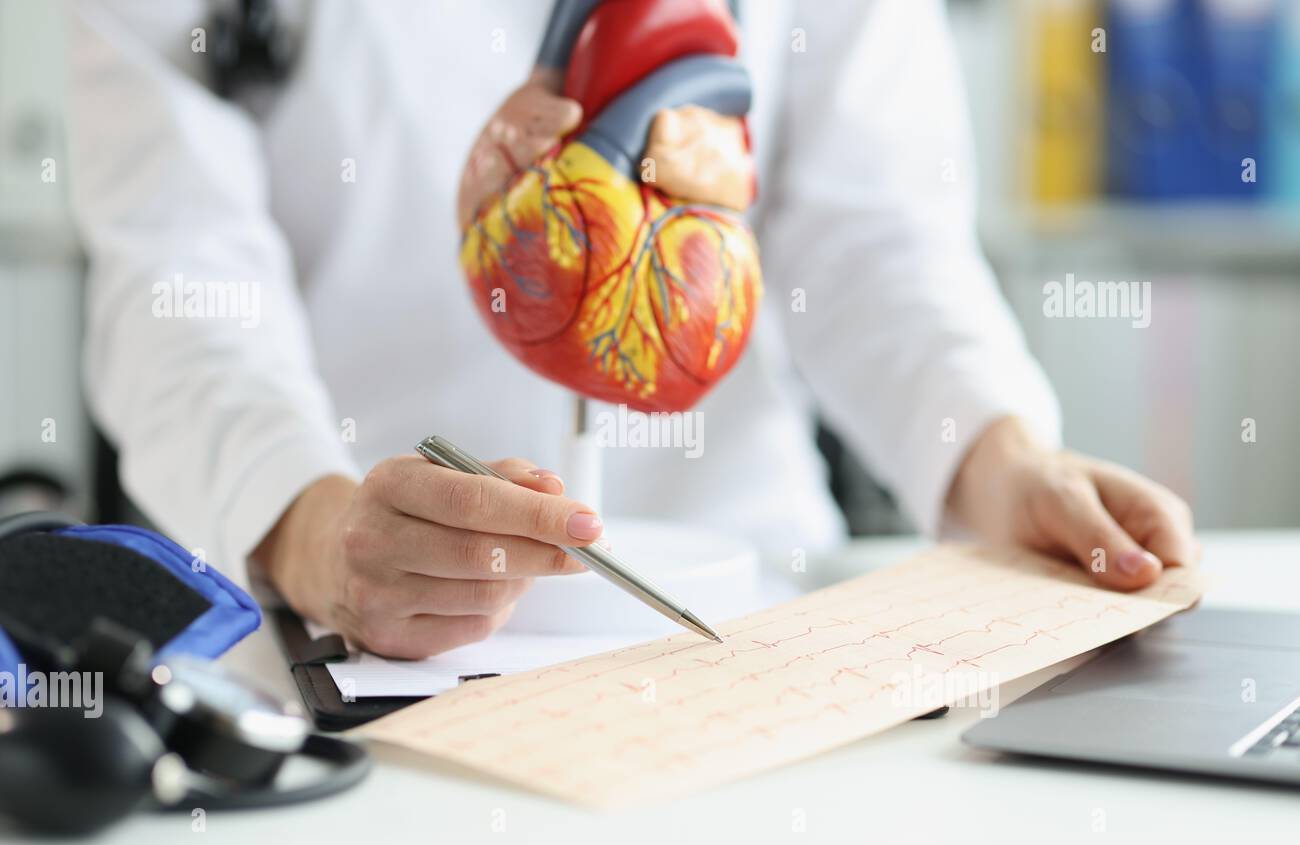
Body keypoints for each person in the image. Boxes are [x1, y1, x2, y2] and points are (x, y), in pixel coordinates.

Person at [64, 0, 1197, 661]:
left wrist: (998, 462)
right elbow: (176, 274)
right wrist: (309, 532)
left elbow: (875, 239)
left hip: (742, 605)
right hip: (350, 627)